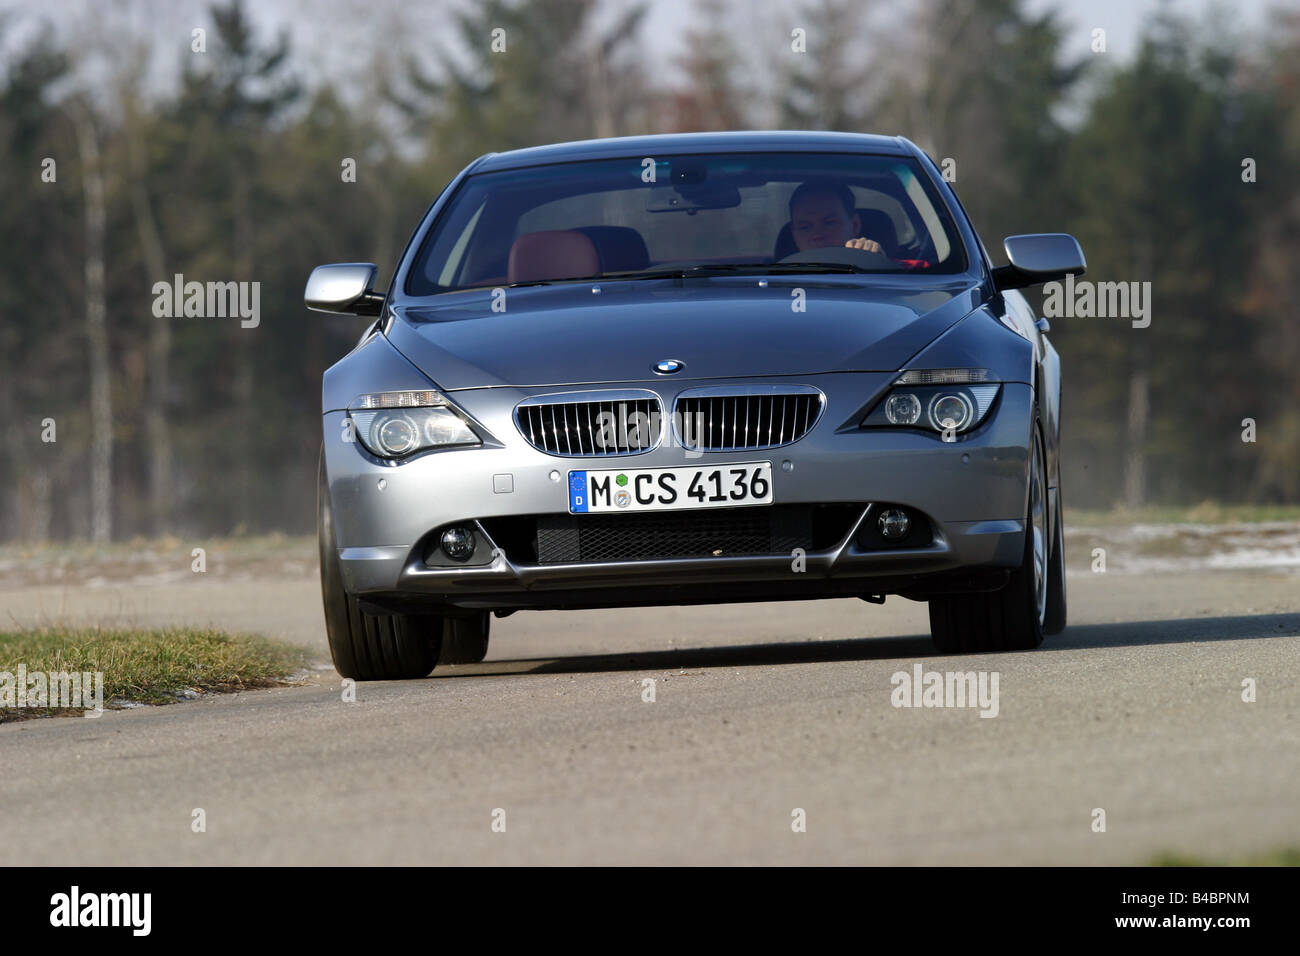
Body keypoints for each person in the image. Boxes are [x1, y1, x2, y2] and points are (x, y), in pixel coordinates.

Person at [788, 179, 885, 254]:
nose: (817, 235)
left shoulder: (896, 276)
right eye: (805, 227)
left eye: (829, 223)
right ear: (794, 234)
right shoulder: (776, 277)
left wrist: (878, 265)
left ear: (855, 225)